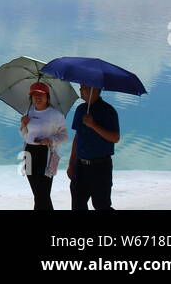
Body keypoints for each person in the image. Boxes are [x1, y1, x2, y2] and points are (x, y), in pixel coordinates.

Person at [67, 84, 120, 210]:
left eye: (83, 87)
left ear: (95, 90)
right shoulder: (81, 109)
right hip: (81, 166)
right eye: (80, 87)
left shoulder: (108, 111)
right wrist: (71, 163)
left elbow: (115, 138)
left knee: (101, 205)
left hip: (101, 166)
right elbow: (77, 137)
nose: (80, 90)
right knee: (77, 204)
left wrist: (93, 125)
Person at [19, 82, 67, 210]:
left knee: (43, 193)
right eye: (34, 95)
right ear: (31, 97)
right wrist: (23, 124)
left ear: (47, 97)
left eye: (41, 94)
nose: (38, 97)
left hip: (47, 154)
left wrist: (50, 140)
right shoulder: (28, 112)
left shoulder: (56, 115)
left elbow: (64, 136)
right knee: (37, 193)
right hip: (29, 153)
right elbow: (24, 135)